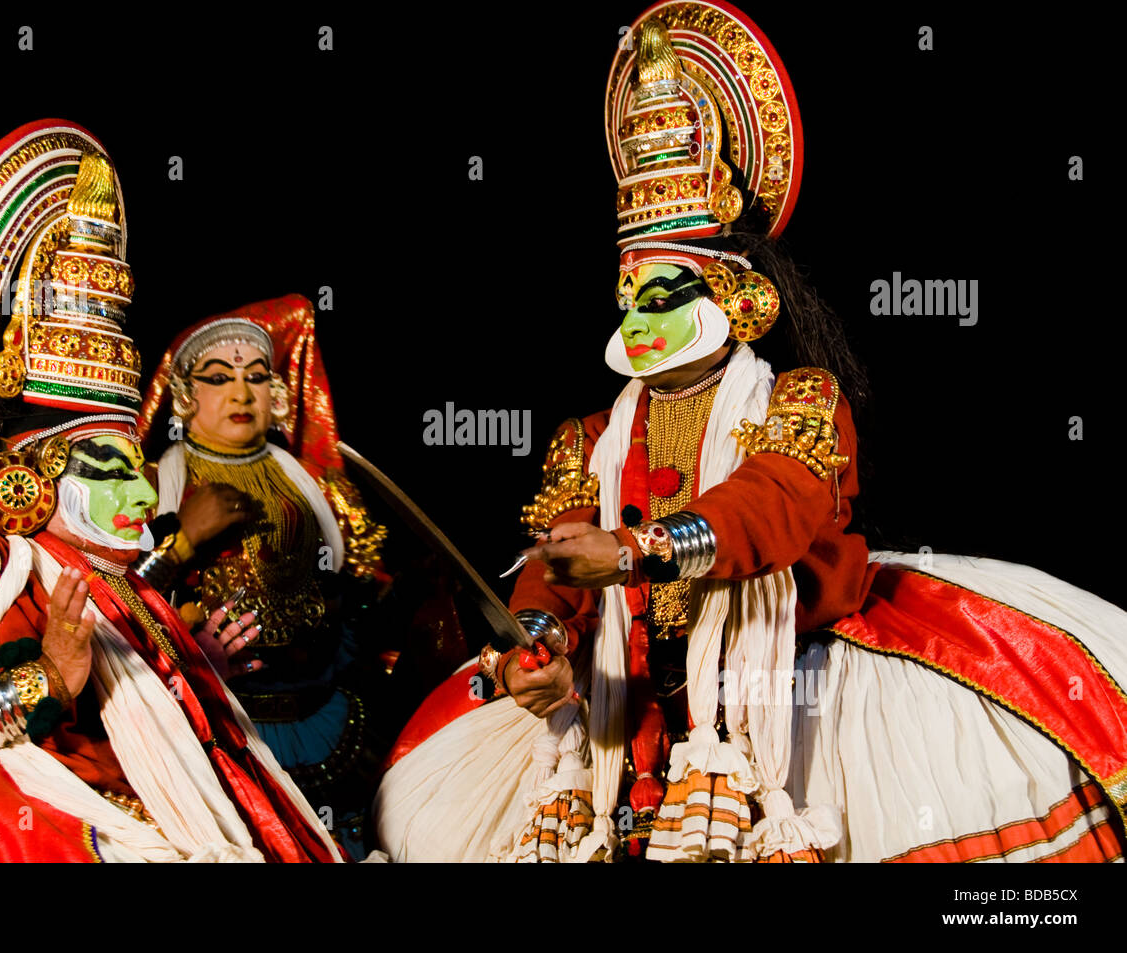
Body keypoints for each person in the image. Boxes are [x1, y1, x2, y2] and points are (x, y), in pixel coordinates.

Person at [372, 3, 1127, 863]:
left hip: (791, 690)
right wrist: (535, 644)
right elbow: (556, 576)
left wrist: (631, 551)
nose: (641, 322)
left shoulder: (798, 401)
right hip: (634, 712)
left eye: (664, 296)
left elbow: (767, 510)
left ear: (740, 298)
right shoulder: (589, 437)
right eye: (629, 299)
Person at [0, 121, 340, 862]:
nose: (143, 490)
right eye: (110, 468)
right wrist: (41, 682)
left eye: (138, 465)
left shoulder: (120, 583)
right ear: (32, 477)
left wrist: (189, 673)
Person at [133, 299, 391, 859]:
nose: (241, 394)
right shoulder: (152, 485)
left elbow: (354, 596)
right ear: (185, 395)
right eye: (219, 379)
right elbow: (123, 608)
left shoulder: (315, 485)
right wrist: (183, 544)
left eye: (255, 378)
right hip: (217, 726)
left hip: (325, 717)